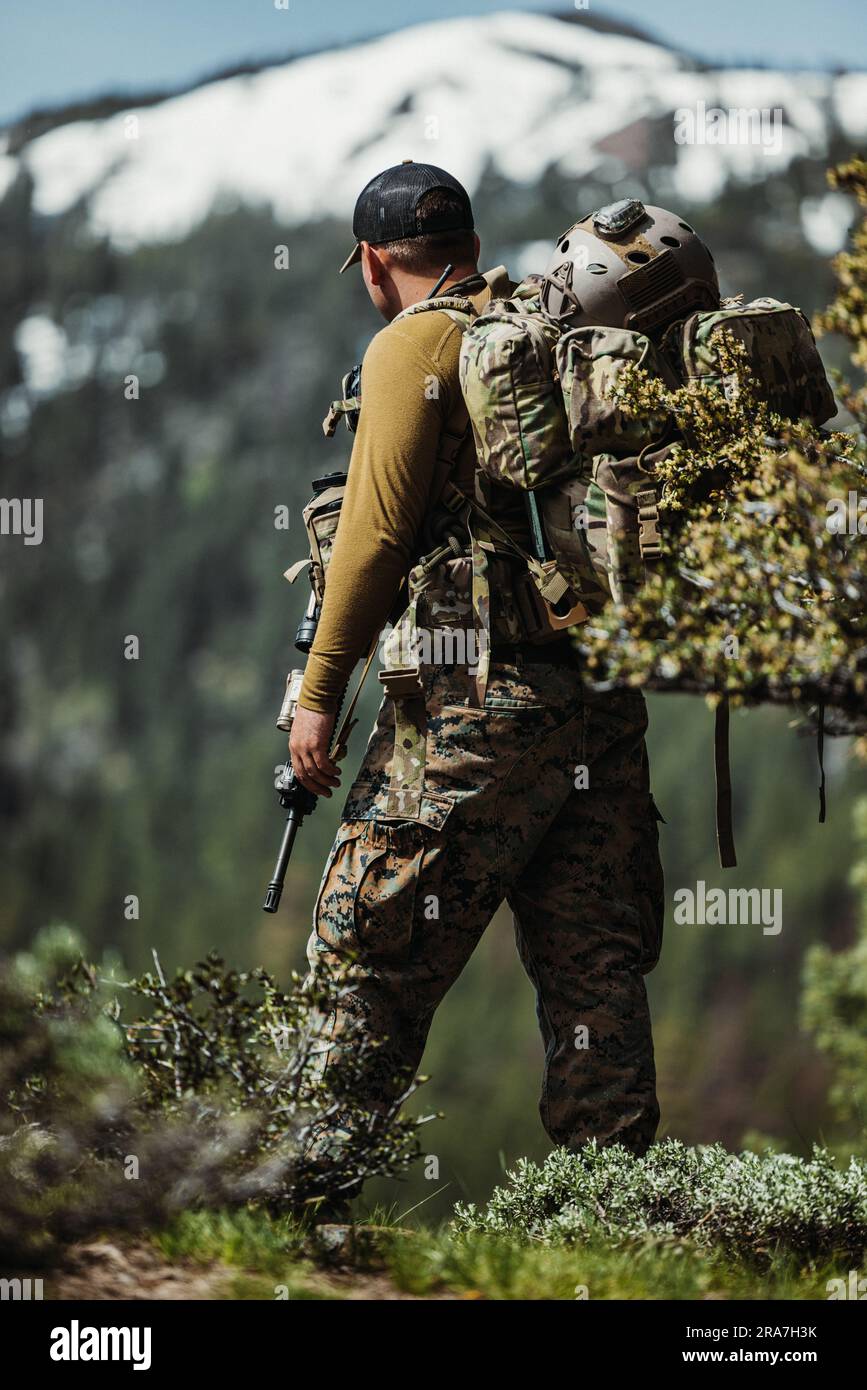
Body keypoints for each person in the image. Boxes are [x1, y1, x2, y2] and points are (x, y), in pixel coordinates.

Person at [289, 160, 664, 1181]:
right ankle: (619, 1222)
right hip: (596, 698)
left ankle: (296, 1207)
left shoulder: (411, 342)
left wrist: (319, 691)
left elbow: (371, 541)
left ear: (374, 262)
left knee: (368, 949)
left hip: (472, 707)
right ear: (474, 249)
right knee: (595, 970)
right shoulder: (548, 329)